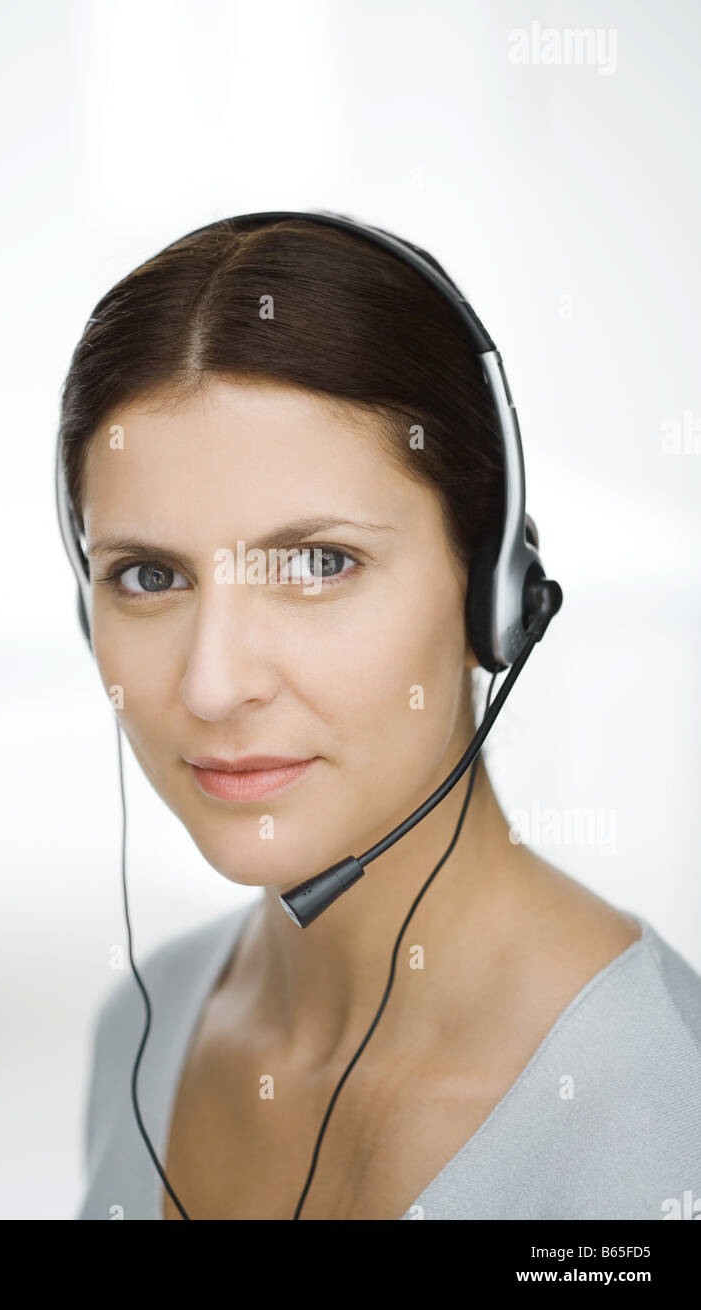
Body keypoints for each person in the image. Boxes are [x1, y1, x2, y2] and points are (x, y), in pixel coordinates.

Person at [59, 214, 701, 1220]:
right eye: (148, 575)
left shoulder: (658, 1116)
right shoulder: (146, 1032)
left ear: (494, 592)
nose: (214, 685)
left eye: (318, 562)